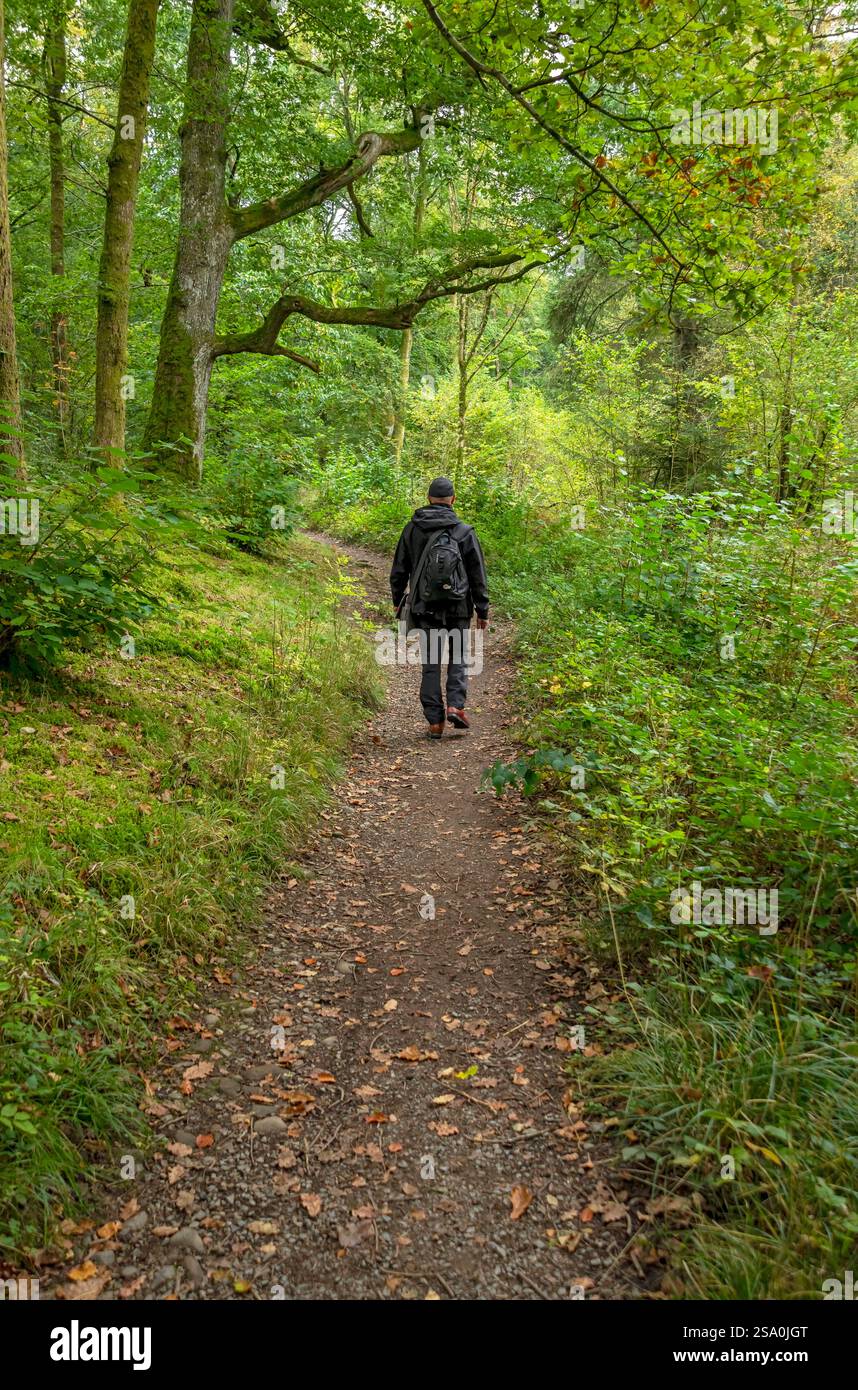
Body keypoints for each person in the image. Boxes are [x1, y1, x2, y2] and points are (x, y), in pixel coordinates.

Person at [390, 477, 489, 739]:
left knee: (430, 663)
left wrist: (397, 599)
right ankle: (455, 705)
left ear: (428, 498)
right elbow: (477, 574)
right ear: (453, 500)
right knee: (458, 657)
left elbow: (399, 569)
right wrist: (483, 609)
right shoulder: (464, 531)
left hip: (425, 607)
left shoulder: (413, 528)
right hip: (458, 606)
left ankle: (435, 722)